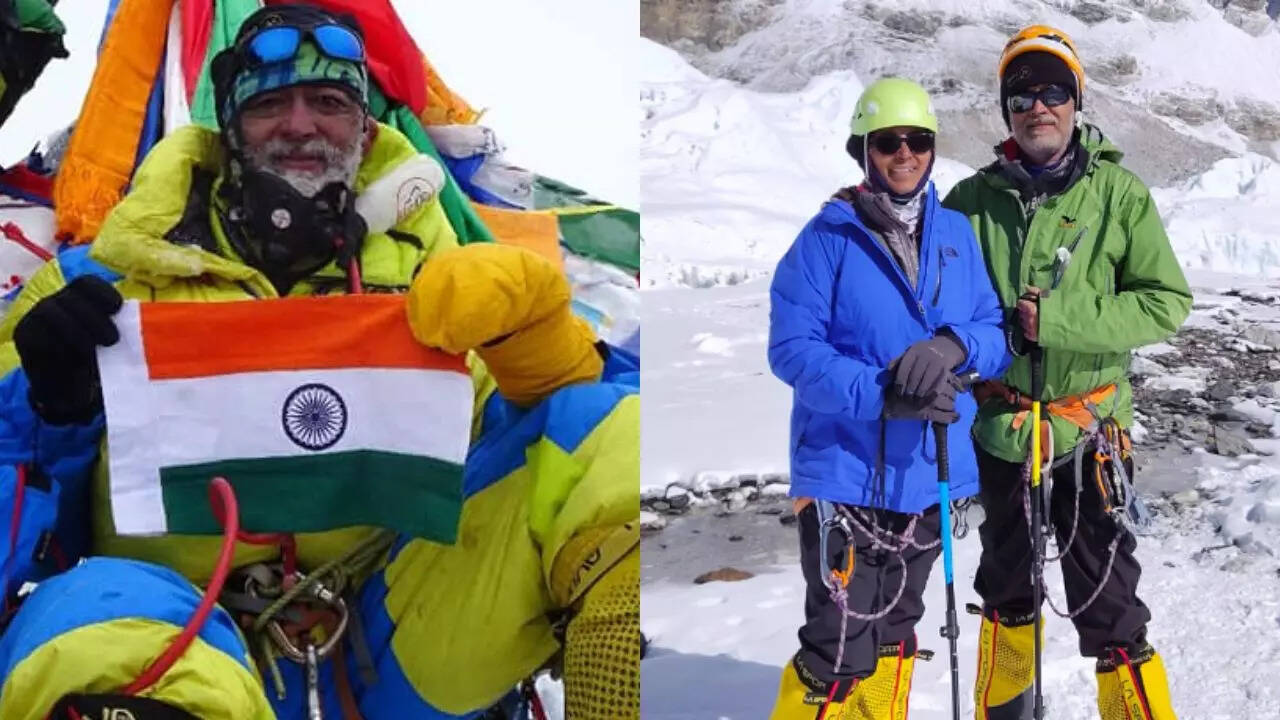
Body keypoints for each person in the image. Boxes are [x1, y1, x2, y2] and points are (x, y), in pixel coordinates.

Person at [0, 5, 639, 719]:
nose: (301, 124)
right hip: (183, 643)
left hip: (399, 640)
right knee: (89, 621)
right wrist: (49, 410)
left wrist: (540, 353)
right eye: (270, 102)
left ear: (365, 131)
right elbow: (19, 530)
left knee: (614, 446)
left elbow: (569, 445)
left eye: (330, 103)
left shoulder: (442, 277)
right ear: (227, 127)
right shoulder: (101, 287)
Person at [942, 24, 1190, 720]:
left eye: (1054, 91)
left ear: (1076, 103)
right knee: (1005, 592)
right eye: (1022, 93)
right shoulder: (969, 202)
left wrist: (1060, 319)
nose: (1038, 106)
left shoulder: (1120, 195)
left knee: (1109, 601)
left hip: (1090, 432)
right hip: (1001, 430)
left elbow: (1165, 303)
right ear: (1007, 109)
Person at [766, 76, 1009, 719]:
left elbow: (994, 330)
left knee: (898, 630)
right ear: (863, 150)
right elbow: (793, 350)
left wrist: (958, 345)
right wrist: (884, 394)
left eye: (919, 140)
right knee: (837, 646)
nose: (906, 154)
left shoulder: (955, 233)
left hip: (931, 475)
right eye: (889, 142)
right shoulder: (826, 240)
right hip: (846, 474)